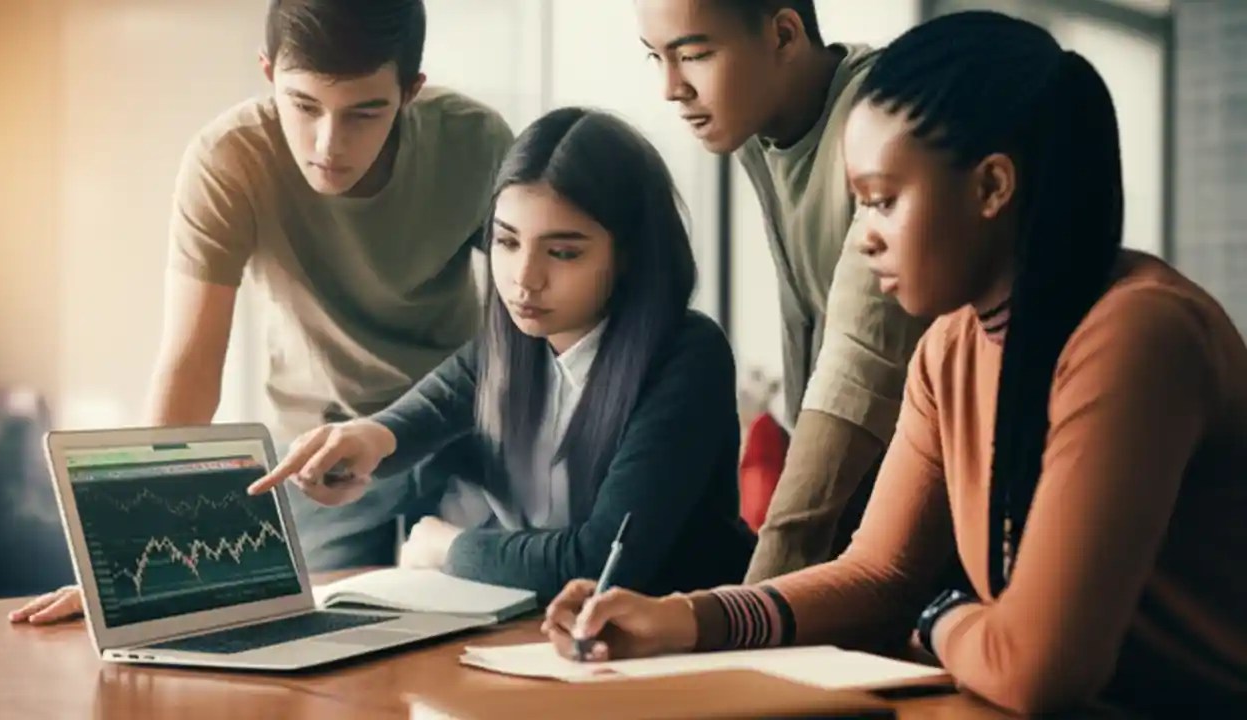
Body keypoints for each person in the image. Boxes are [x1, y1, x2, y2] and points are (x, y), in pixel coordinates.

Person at [542, 11, 1247, 715]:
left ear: (992, 187)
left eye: (881, 202)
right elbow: (879, 573)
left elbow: (1034, 669)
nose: (866, 239)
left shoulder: (1136, 333)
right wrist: (685, 619)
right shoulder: (950, 349)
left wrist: (937, 614)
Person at [8, 0, 512, 625]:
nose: (329, 145)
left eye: (364, 112)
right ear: (267, 71)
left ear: (411, 92)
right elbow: (190, 365)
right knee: (312, 641)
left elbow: (532, 316)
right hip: (317, 452)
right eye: (303, 106)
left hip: (460, 427)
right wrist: (127, 558)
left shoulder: (477, 142)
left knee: (493, 627)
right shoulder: (229, 160)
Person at [246, 107, 756, 602]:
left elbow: (599, 565)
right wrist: (363, 440)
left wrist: (448, 547)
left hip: (678, 652)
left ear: (628, 256)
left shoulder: (687, 357)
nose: (524, 278)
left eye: (563, 253)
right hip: (549, 639)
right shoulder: (513, 346)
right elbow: (415, 419)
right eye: (507, 243)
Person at [634, 0, 926, 582]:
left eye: (693, 55)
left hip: (932, 490)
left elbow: (857, 365)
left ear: (784, 34)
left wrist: (760, 597)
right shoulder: (755, 129)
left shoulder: (884, 113)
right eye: (655, 59)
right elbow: (807, 327)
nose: (671, 88)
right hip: (863, 498)